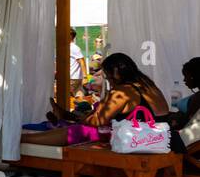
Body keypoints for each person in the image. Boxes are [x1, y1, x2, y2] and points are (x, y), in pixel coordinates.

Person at [23, 52, 171, 146]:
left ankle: (23, 140)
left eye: (107, 76)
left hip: (139, 137)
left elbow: (97, 122)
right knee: (81, 121)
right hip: (156, 133)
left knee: (79, 131)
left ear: (115, 72)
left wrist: (81, 120)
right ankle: (67, 118)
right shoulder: (146, 84)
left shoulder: (124, 90)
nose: (108, 80)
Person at [68, 27, 87, 98]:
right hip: (75, 77)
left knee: (61, 93)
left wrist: (85, 77)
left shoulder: (72, 47)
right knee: (78, 93)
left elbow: (81, 61)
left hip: (72, 77)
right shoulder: (70, 47)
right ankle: (82, 106)